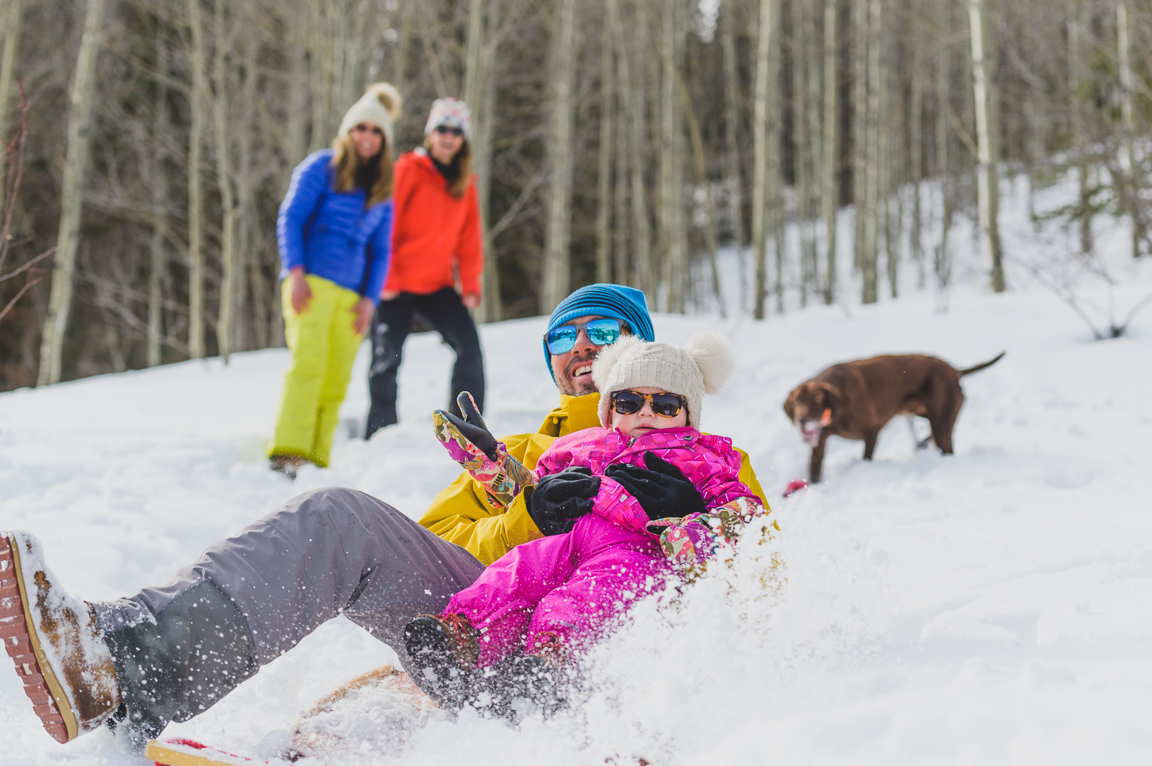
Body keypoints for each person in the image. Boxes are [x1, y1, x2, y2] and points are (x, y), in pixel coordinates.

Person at [0, 284, 767, 751]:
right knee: (341, 518)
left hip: (622, 672)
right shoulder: (521, 454)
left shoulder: (707, 458)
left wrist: (704, 534)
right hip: (489, 648)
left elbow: (772, 583)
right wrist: (521, 517)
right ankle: (127, 667)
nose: (582, 349)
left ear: (654, 356)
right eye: (564, 338)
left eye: (605, 333)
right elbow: (433, 551)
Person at [406, 332, 767, 710]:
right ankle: (461, 636)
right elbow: (535, 491)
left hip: (636, 551)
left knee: (583, 597)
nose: (645, 413)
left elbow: (744, 515)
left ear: (688, 413)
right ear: (610, 409)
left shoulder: (705, 457)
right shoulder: (583, 444)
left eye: (663, 404)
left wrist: (692, 529)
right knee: (518, 569)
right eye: (629, 401)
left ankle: (553, 660)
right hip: (571, 539)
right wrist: (485, 461)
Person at [268, 83, 402, 477]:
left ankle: (316, 456)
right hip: (309, 282)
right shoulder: (320, 167)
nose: (367, 137)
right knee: (308, 364)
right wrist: (294, 272)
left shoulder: (382, 190)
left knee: (337, 376)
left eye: (376, 132)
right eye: (361, 128)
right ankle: (288, 451)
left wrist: (369, 300)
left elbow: (381, 251)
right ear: (348, 131)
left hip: (352, 297)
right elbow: (290, 218)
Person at [365, 97, 486, 439]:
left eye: (456, 131)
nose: (448, 137)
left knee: (469, 348)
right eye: (442, 129)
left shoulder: (464, 183)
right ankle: (379, 432)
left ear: (463, 139)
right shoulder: (407, 171)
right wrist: (385, 277)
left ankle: (468, 429)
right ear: (430, 133)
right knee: (385, 360)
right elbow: (385, 224)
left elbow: (469, 240)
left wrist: (471, 283)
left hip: (437, 285)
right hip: (397, 284)